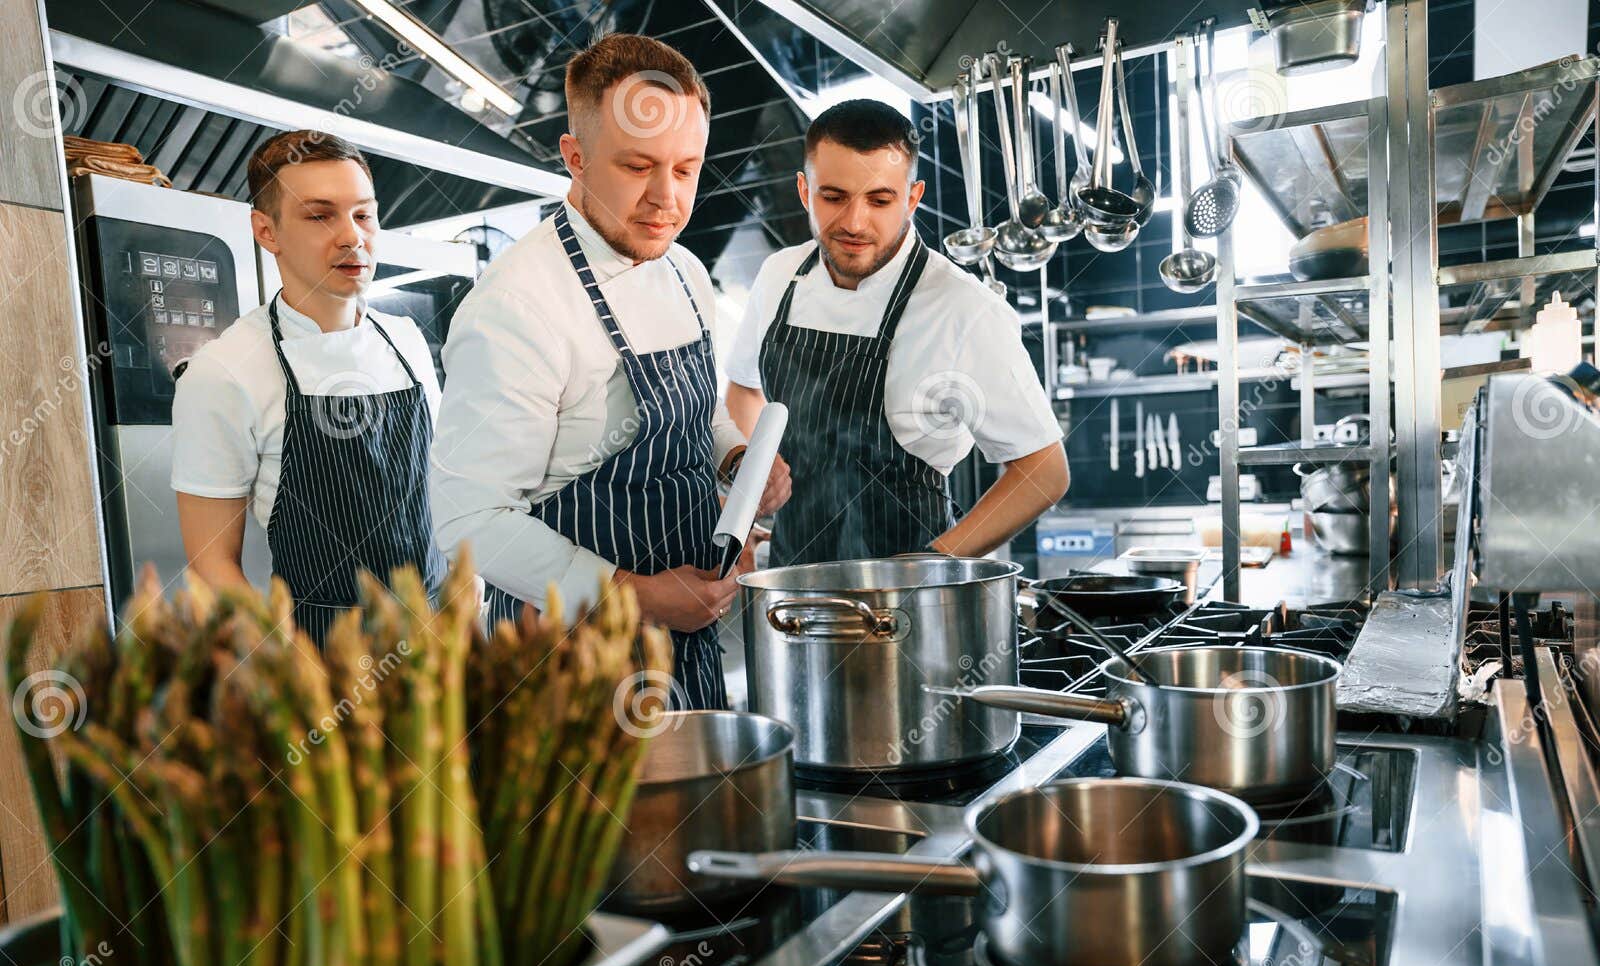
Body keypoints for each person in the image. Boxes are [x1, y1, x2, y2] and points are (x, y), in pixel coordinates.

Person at [430, 34, 785, 710]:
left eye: (687, 168)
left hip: (687, 643)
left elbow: (698, 411)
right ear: (575, 157)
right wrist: (642, 595)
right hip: (566, 659)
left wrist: (736, 461)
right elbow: (470, 519)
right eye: (637, 166)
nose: (666, 197)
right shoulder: (515, 304)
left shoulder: (683, 273)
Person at [725, 99, 1068, 565]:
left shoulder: (961, 307)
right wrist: (752, 474)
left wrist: (932, 565)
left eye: (879, 200)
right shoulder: (778, 276)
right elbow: (745, 389)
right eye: (834, 196)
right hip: (791, 591)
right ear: (805, 191)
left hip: (911, 609)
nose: (854, 222)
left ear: (912, 197)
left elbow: (1043, 471)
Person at [171, 130, 445, 643]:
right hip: (318, 649)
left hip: (437, 636)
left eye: (363, 215)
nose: (352, 237)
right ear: (266, 231)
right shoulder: (224, 372)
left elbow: (441, 486)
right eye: (320, 215)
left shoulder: (406, 342)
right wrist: (289, 661)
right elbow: (212, 565)